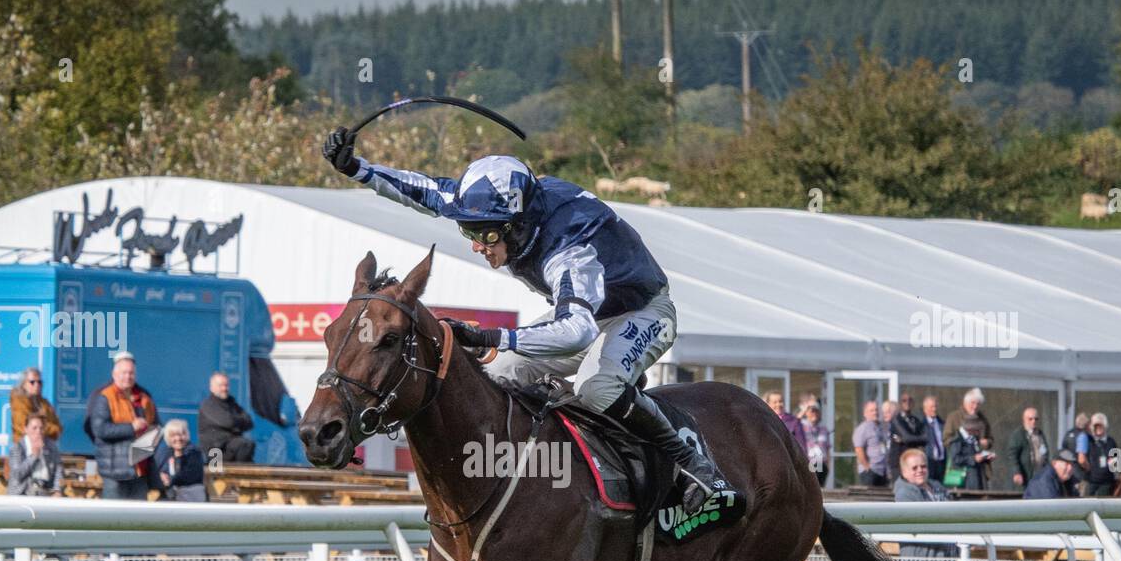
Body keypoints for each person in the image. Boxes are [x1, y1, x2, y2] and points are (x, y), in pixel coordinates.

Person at [321, 131, 729, 515]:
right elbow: (422, 191)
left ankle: (692, 460)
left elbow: (577, 332)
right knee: (495, 374)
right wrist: (355, 167)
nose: (476, 246)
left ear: (516, 226)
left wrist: (488, 335)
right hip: (588, 312)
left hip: (642, 312)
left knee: (596, 387)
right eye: (468, 230)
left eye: (486, 235)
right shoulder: (501, 207)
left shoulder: (568, 246)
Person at [85, 352, 160, 500]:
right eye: (124, 373)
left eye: (131, 373)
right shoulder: (104, 397)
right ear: (114, 374)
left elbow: (156, 427)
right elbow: (100, 430)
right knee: (113, 514)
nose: (128, 376)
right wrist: (131, 428)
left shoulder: (144, 398)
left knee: (139, 514)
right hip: (115, 473)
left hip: (140, 472)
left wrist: (146, 444)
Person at [892, 449, 954, 558]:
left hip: (948, 556)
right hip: (921, 558)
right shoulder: (903, 494)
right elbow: (921, 522)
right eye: (914, 468)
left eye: (923, 466)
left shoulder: (938, 487)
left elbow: (953, 513)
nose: (920, 470)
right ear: (904, 472)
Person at [197, 372, 255, 464]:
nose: (224, 388)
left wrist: (234, 423)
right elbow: (228, 422)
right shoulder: (208, 405)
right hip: (216, 452)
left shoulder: (232, 403)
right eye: (220, 385)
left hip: (232, 448)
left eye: (226, 385)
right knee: (244, 444)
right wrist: (239, 423)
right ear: (212, 388)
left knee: (248, 446)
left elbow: (249, 422)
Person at [6, 414, 63, 496]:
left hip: (44, 491)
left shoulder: (51, 447)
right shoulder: (17, 448)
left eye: (41, 428)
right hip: (22, 493)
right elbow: (17, 475)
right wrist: (34, 456)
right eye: (34, 428)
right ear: (26, 429)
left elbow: (58, 470)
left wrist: (57, 490)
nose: (38, 431)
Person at [154, 419, 207, 502]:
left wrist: (169, 480)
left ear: (187, 435)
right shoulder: (163, 453)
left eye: (182, 434)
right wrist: (160, 477)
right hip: (167, 497)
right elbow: (155, 471)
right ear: (168, 438)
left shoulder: (194, 452)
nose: (178, 438)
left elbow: (190, 476)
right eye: (173, 435)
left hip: (190, 498)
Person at [9, 367, 62, 442]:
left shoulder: (44, 403)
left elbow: (58, 426)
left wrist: (50, 429)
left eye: (39, 382)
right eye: (32, 382)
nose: (37, 385)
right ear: (24, 384)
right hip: (25, 444)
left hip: (45, 443)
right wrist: (49, 428)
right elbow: (24, 425)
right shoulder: (18, 401)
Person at [1005, 407, 1050, 490]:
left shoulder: (1040, 434)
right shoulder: (1018, 434)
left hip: (1039, 475)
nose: (1033, 421)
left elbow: (1045, 452)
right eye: (1030, 419)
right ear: (1024, 419)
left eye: (1036, 419)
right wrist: (1017, 472)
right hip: (1025, 476)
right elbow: (1012, 455)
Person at [887, 392, 928, 479]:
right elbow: (907, 438)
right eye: (904, 400)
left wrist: (905, 440)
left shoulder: (916, 420)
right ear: (900, 404)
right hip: (898, 463)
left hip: (912, 462)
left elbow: (925, 439)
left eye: (910, 400)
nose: (907, 403)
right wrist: (914, 440)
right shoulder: (896, 420)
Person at [1083, 412, 1121, 496]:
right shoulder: (1089, 441)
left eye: (1101, 426)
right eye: (1096, 426)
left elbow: (1116, 461)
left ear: (1105, 427)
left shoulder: (1111, 442)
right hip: (1091, 481)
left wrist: (1118, 476)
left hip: (1106, 481)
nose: (1098, 429)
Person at [946, 422, 993, 491]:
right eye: (976, 429)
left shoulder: (974, 439)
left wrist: (985, 457)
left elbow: (976, 454)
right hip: (965, 483)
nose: (978, 432)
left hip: (978, 479)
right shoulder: (957, 440)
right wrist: (973, 459)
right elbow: (955, 459)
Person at [851, 400, 888, 486]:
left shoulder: (881, 427)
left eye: (876, 410)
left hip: (882, 471)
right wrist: (867, 467)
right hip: (870, 471)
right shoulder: (863, 428)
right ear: (865, 413)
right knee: (870, 494)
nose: (875, 412)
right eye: (872, 410)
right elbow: (858, 449)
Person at [800, 401, 830, 487]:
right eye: (812, 411)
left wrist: (828, 465)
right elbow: (794, 421)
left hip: (822, 463)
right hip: (809, 462)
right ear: (806, 413)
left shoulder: (823, 429)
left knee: (820, 489)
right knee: (810, 488)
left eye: (816, 411)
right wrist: (804, 409)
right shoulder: (801, 426)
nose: (814, 414)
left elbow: (827, 448)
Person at [1062, 412, 1091, 488]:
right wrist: (1089, 468)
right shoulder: (1083, 436)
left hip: (1067, 474)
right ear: (1087, 425)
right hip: (1079, 476)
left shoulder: (1068, 434)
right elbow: (1081, 460)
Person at [922, 395, 946, 483]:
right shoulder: (921, 424)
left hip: (941, 462)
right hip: (929, 461)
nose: (934, 409)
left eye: (935, 406)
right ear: (925, 409)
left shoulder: (941, 423)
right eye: (931, 407)